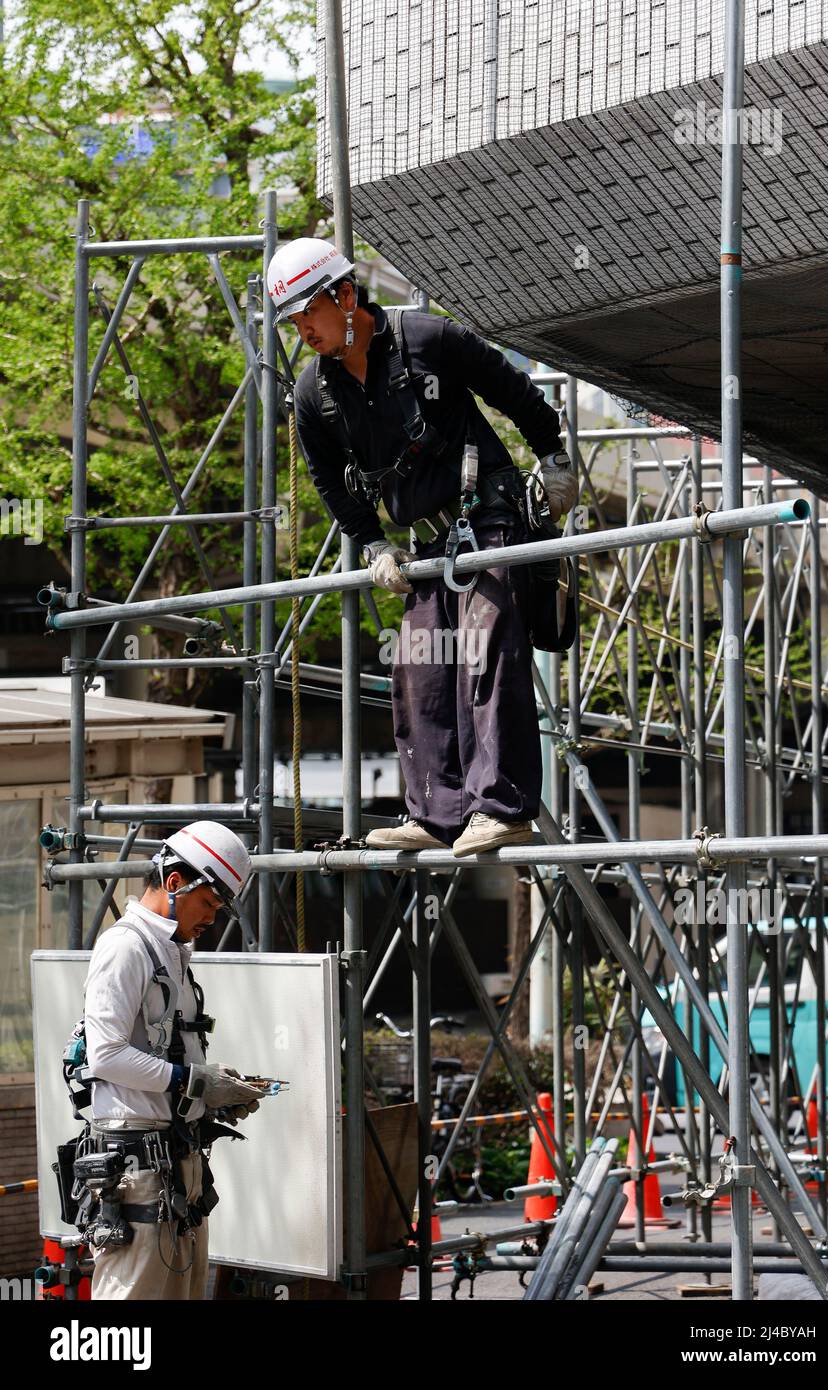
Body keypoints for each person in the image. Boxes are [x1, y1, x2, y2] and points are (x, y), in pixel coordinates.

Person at [267, 238, 579, 856]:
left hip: (488, 518)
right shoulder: (313, 393)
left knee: (487, 652)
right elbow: (328, 481)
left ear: (346, 296)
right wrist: (372, 543)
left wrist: (554, 459)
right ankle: (437, 815)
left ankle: (503, 808)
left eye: (309, 313)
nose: (304, 331)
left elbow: (512, 389)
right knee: (420, 670)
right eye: (293, 322)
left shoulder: (427, 339)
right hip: (426, 546)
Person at [80, 821, 264, 1299]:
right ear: (175, 881)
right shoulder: (125, 947)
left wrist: (213, 1092)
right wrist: (193, 1081)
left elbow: (164, 1052)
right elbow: (106, 1055)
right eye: (209, 903)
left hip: (176, 1162)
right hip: (138, 1169)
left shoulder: (171, 950)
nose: (212, 919)